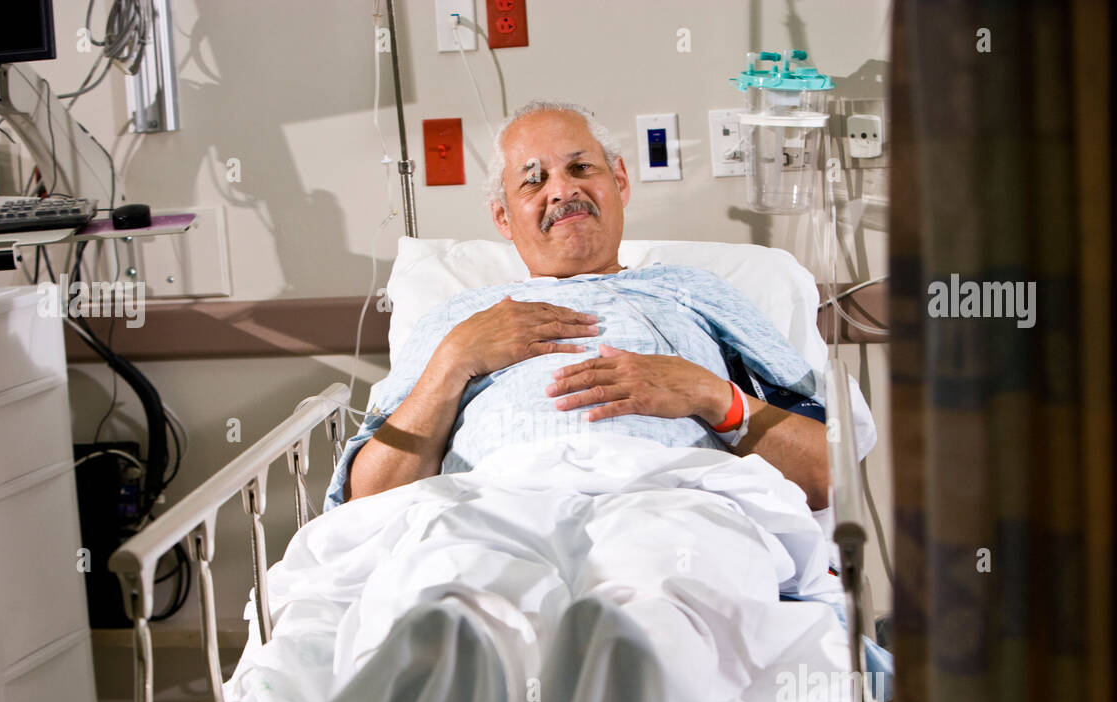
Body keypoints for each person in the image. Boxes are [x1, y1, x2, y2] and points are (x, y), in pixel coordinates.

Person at [328, 100, 872, 514]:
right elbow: (368, 502)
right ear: (503, 219)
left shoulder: (698, 295)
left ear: (619, 181)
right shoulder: (456, 322)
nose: (561, 191)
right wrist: (451, 366)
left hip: (672, 514)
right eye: (533, 180)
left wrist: (711, 396)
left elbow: (828, 474)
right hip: (491, 520)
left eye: (581, 168)